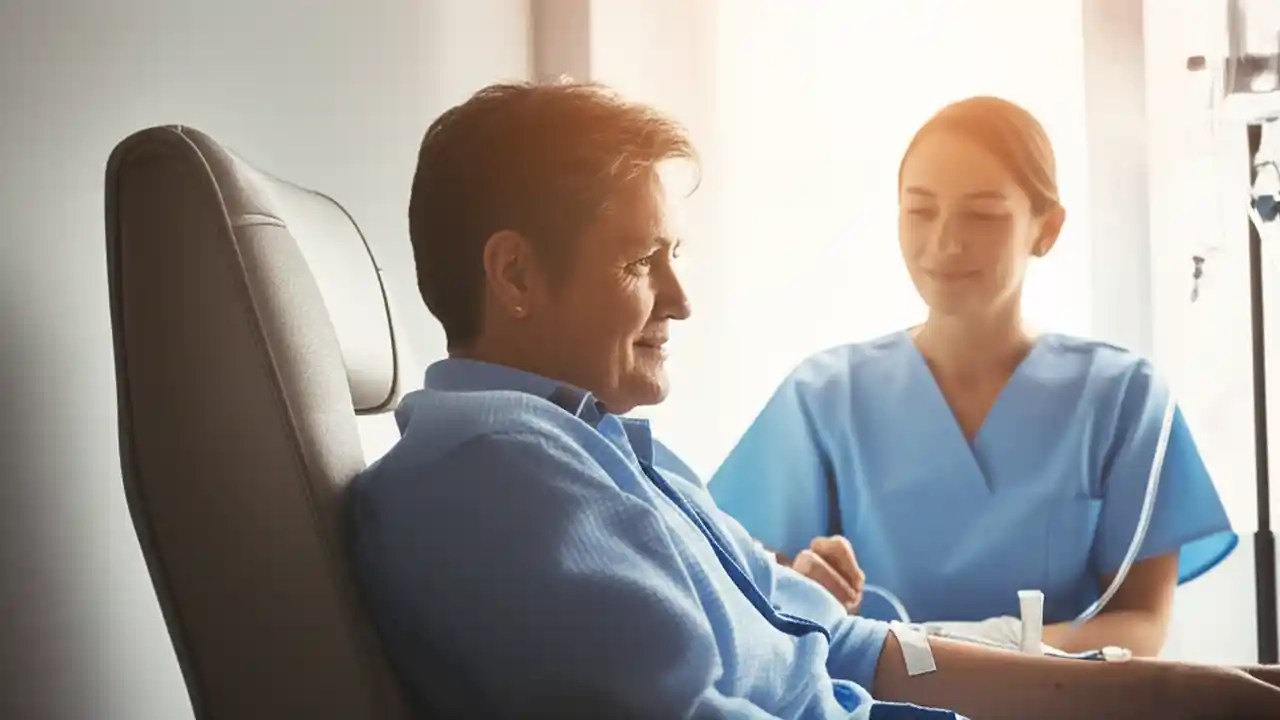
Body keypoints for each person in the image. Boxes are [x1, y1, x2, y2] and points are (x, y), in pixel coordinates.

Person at [347, 81, 1280, 718]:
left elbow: (844, 643)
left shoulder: (606, 449)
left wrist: (1175, 692)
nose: (682, 299)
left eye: (677, 256)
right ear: (514, 274)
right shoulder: (500, 481)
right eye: (641, 261)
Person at [709, 96, 1238, 657]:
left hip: (1057, 700)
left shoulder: (1124, 398)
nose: (945, 242)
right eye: (920, 211)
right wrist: (806, 587)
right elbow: (753, 610)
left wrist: (957, 654)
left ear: (1047, 228)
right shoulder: (823, 398)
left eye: (982, 215)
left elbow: (1139, 625)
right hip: (868, 699)